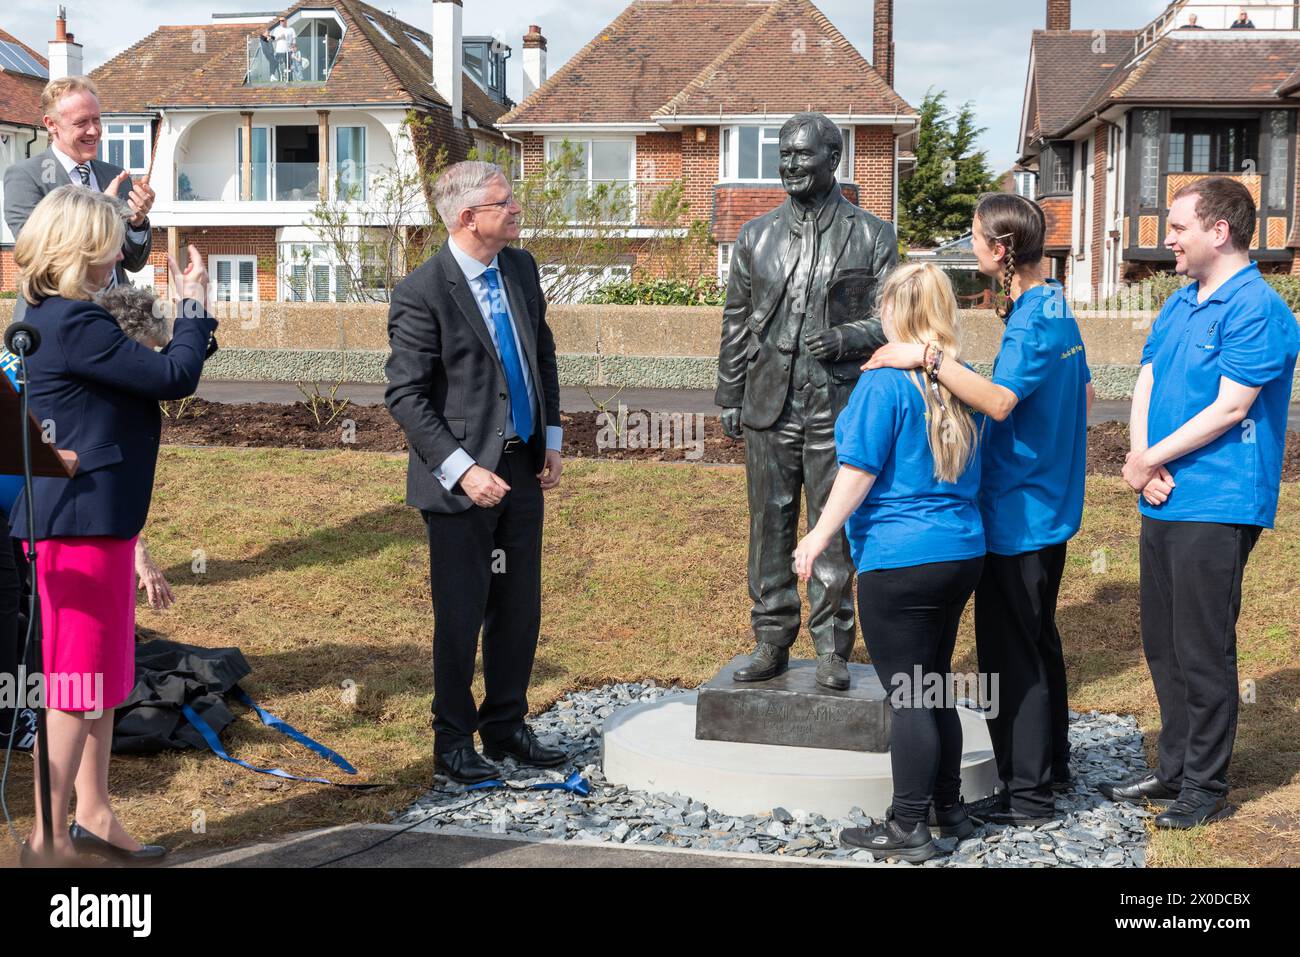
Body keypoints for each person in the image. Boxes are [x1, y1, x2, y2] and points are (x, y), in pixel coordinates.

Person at [867, 193, 1092, 826]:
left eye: (973, 238)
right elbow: (1086, 389)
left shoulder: (1034, 321)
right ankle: (1052, 770)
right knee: (1038, 644)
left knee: (1010, 660)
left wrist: (929, 358)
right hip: (1047, 509)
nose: (969, 248)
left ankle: (1028, 798)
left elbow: (997, 402)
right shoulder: (1055, 310)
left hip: (1018, 517)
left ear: (1000, 249)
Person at [8, 185, 218, 866]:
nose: (117, 253)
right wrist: (194, 306)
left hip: (100, 521)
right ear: (78, 245)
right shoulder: (76, 321)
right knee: (73, 687)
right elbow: (173, 374)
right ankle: (48, 838)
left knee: (100, 679)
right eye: (106, 240)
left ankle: (94, 810)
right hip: (81, 526)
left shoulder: (58, 315)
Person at [1103, 177, 1298, 828]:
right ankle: (1174, 765)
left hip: (1218, 501)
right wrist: (1140, 458)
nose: (1168, 239)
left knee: (1202, 646)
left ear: (1220, 232)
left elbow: (1233, 405)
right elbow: (1148, 377)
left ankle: (1205, 788)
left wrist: (1152, 458)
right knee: (1161, 640)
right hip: (1161, 493)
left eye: (1178, 226)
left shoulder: (1258, 308)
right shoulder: (1182, 301)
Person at [794, 262, 984, 863]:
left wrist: (817, 535)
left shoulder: (882, 384)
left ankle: (908, 827)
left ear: (891, 315)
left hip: (899, 559)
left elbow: (858, 472)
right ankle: (947, 808)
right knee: (932, 684)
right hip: (960, 552)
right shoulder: (962, 379)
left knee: (907, 693)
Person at [384, 161, 565, 785]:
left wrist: (553, 438)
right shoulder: (422, 292)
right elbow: (406, 397)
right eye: (504, 202)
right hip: (460, 484)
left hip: (521, 466)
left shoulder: (520, 266)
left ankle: (507, 726)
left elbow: (540, 352)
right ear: (468, 218)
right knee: (461, 614)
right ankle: (453, 740)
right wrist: (463, 472)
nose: (516, 209)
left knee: (519, 606)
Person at [716, 111, 896, 691]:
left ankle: (832, 646)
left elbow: (897, 321)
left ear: (833, 160)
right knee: (769, 522)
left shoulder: (872, 234)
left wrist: (847, 337)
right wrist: (728, 393)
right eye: (784, 154)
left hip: (838, 404)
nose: (790, 164)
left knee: (831, 524)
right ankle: (770, 638)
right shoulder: (755, 235)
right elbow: (737, 320)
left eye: (802, 155)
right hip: (769, 401)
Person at [3, 76, 154, 325]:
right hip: (57, 327)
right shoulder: (26, 176)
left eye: (96, 119)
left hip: (118, 325)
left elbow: (132, 262)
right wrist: (102, 213)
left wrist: (137, 223)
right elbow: (39, 255)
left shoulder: (116, 176)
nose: (93, 130)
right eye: (81, 122)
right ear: (51, 124)